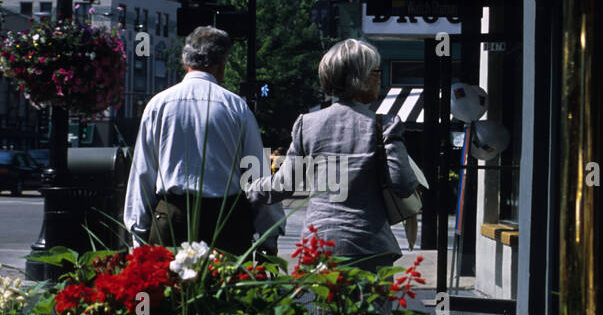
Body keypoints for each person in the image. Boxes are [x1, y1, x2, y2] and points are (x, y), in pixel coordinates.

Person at [248, 38, 418, 271]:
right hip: (368, 244)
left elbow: (283, 185)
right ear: (362, 77)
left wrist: (244, 190)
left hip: (318, 244)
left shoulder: (306, 124)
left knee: (323, 307)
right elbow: (403, 184)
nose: (379, 78)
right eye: (376, 71)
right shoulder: (385, 125)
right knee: (370, 307)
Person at [123, 25, 282, 254]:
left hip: (172, 218)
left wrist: (138, 234)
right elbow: (256, 175)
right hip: (226, 221)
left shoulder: (158, 105)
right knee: (225, 287)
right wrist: (270, 233)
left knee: (172, 288)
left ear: (185, 61)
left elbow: (143, 173)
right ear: (222, 63)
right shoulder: (236, 107)